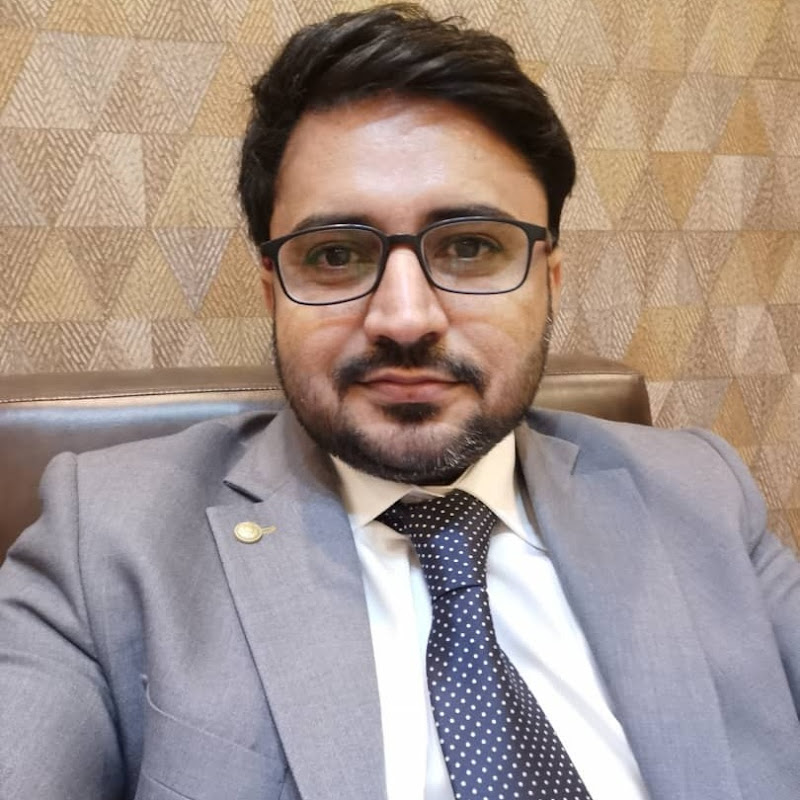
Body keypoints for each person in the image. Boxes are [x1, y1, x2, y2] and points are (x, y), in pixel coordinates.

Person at [0, 4, 798, 799]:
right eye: (335, 255)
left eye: (471, 247)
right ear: (273, 292)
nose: (405, 318)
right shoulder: (104, 543)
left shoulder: (702, 492)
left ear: (549, 281)